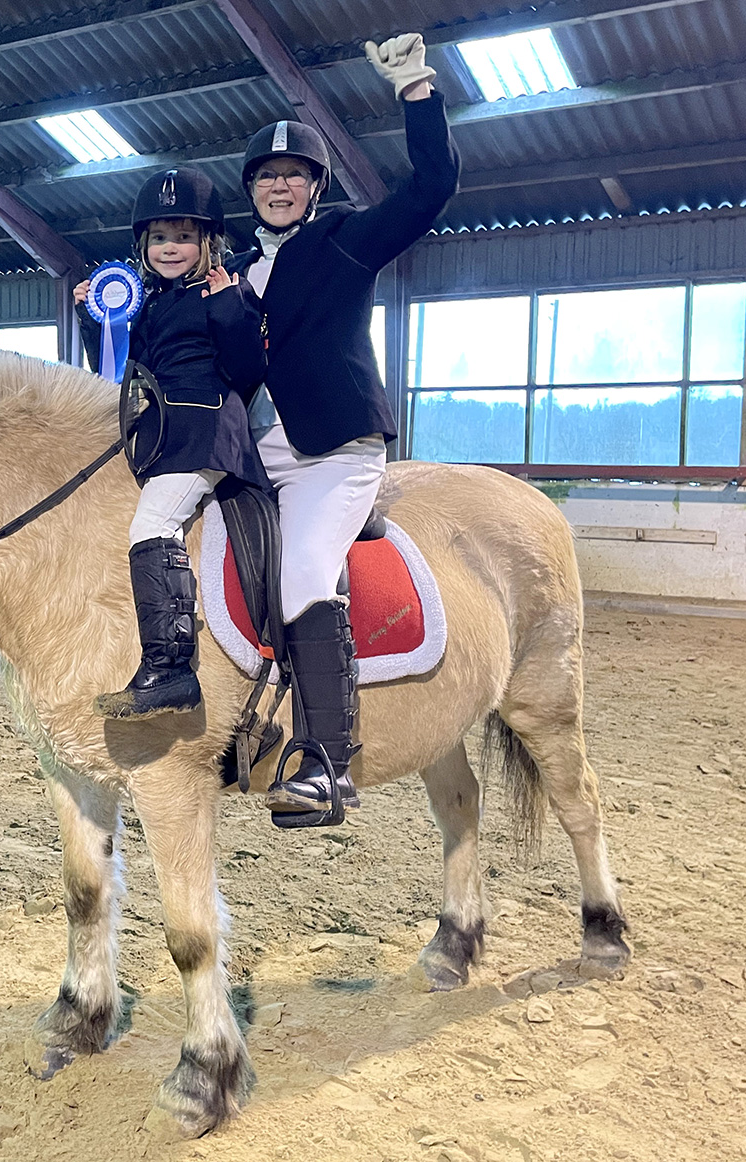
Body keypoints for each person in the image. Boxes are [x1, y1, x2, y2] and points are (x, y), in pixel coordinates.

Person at [223, 33, 462, 823]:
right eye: (266, 176)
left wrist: (417, 92)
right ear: (252, 190)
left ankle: (328, 764)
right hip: (268, 449)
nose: (279, 185)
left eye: (293, 174)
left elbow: (431, 187)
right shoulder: (238, 271)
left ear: (314, 187)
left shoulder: (345, 241)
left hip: (338, 450)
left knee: (303, 574)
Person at [76, 167, 270, 721]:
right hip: (160, 438)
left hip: (208, 435)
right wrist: (94, 320)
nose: (170, 248)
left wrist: (228, 304)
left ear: (207, 241)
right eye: (159, 237)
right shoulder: (147, 301)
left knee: (153, 525)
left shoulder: (230, 288)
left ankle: (171, 668)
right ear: (144, 245)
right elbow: (119, 370)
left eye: (184, 236)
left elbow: (247, 369)